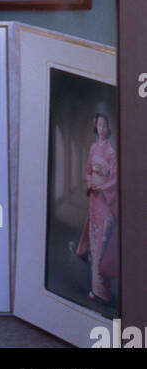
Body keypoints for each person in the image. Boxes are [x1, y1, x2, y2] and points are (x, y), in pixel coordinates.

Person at [75, 112, 118, 305]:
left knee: (102, 246)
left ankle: (104, 292)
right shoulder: (93, 148)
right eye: (99, 125)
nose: (101, 129)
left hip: (104, 201)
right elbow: (88, 171)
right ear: (96, 127)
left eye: (104, 126)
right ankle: (95, 290)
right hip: (94, 199)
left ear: (109, 129)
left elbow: (115, 178)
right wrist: (91, 183)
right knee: (94, 245)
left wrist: (102, 187)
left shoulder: (112, 153)